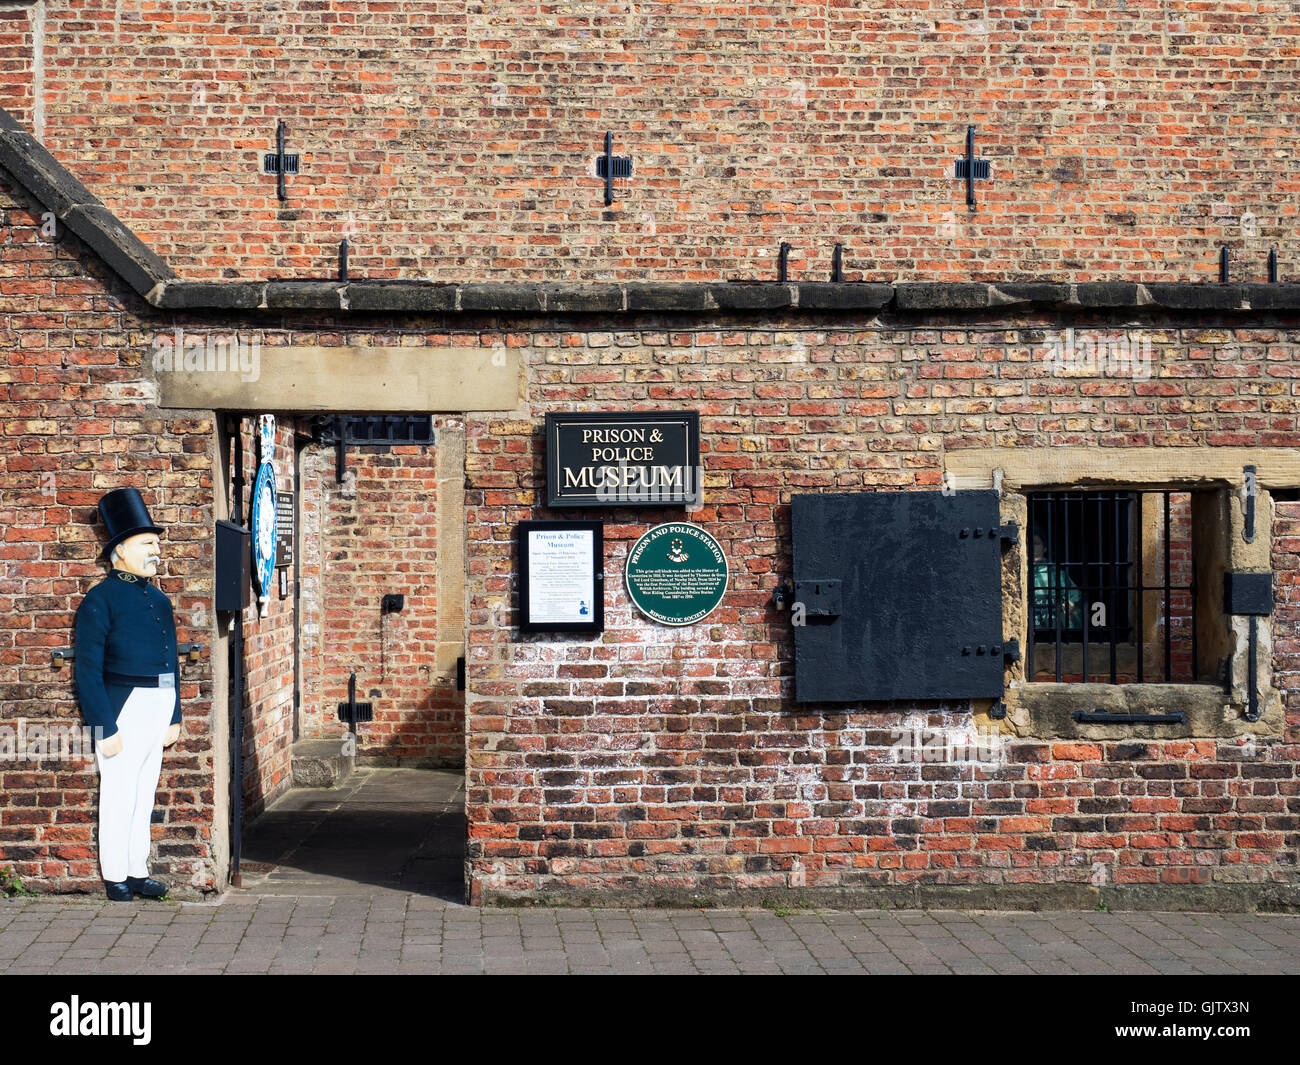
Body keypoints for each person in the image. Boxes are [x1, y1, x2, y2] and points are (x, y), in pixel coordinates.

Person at [74, 488, 182, 901]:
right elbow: (87, 668)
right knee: (119, 793)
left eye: (156, 543)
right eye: (146, 543)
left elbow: (171, 661)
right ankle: (115, 874)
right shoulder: (100, 600)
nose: (155, 549)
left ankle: (138, 870)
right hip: (123, 705)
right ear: (120, 550)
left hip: (157, 705)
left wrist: (173, 715)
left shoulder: (159, 598)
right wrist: (104, 725)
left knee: (145, 793)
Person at [1031, 532, 1083, 632]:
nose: (1032, 548)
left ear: (1045, 548)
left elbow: (1077, 603)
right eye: (1029, 544)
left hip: (1056, 631)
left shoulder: (1058, 574)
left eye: (1036, 544)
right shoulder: (1018, 575)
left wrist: (1072, 607)